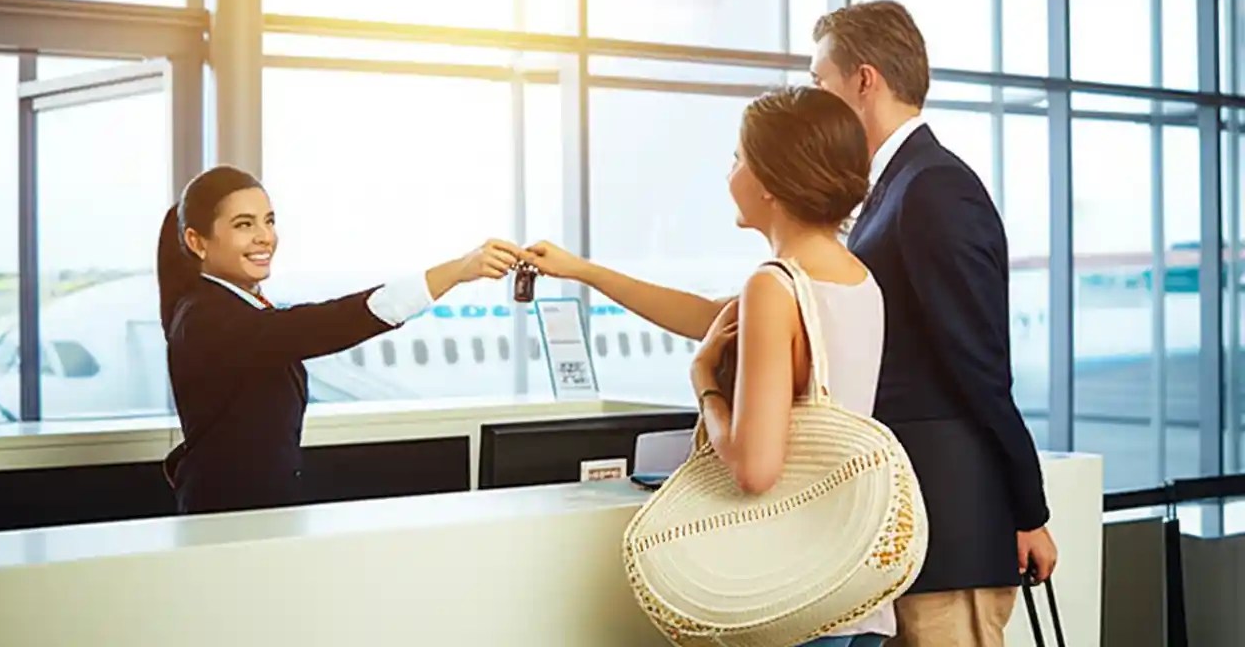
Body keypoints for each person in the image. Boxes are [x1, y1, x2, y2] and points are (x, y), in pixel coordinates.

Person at [532, 86, 895, 646]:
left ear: (770, 182)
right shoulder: (855, 278)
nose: (730, 172)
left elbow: (754, 470)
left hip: (787, 592)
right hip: (851, 588)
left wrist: (705, 385)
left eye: (738, 158)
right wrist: (585, 272)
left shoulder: (773, 285)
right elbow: (710, 316)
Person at [809, 0, 1055, 647]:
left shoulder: (934, 187)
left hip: (952, 524)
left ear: (864, 80)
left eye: (820, 83)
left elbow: (978, 365)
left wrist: (1027, 508)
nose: (815, 103)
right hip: (909, 527)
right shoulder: (891, 189)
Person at [157, 165, 529, 515]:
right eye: (244, 224)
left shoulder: (232, 306)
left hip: (255, 515)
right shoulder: (207, 318)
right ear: (197, 241)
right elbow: (326, 323)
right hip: (231, 520)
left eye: (269, 221)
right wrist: (457, 271)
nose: (264, 237)